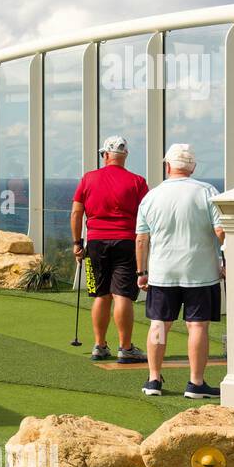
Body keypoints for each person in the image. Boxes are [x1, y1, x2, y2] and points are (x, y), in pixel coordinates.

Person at [135, 143, 224, 398]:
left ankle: (153, 379)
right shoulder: (207, 191)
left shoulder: (151, 196)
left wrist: (142, 271)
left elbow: (142, 239)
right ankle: (196, 383)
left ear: (167, 165)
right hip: (201, 272)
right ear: (192, 166)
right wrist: (228, 259)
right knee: (197, 327)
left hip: (162, 272)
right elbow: (220, 232)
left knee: (159, 324)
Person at [71, 135, 150, 363]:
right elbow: (147, 216)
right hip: (127, 242)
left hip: (95, 243)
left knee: (100, 295)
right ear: (125, 155)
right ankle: (125, 348)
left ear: (105, 155)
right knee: (123, 295)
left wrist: (78, 243)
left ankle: (100, 345)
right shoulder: (138, 181)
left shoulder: (88, 178)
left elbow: (77, 213)